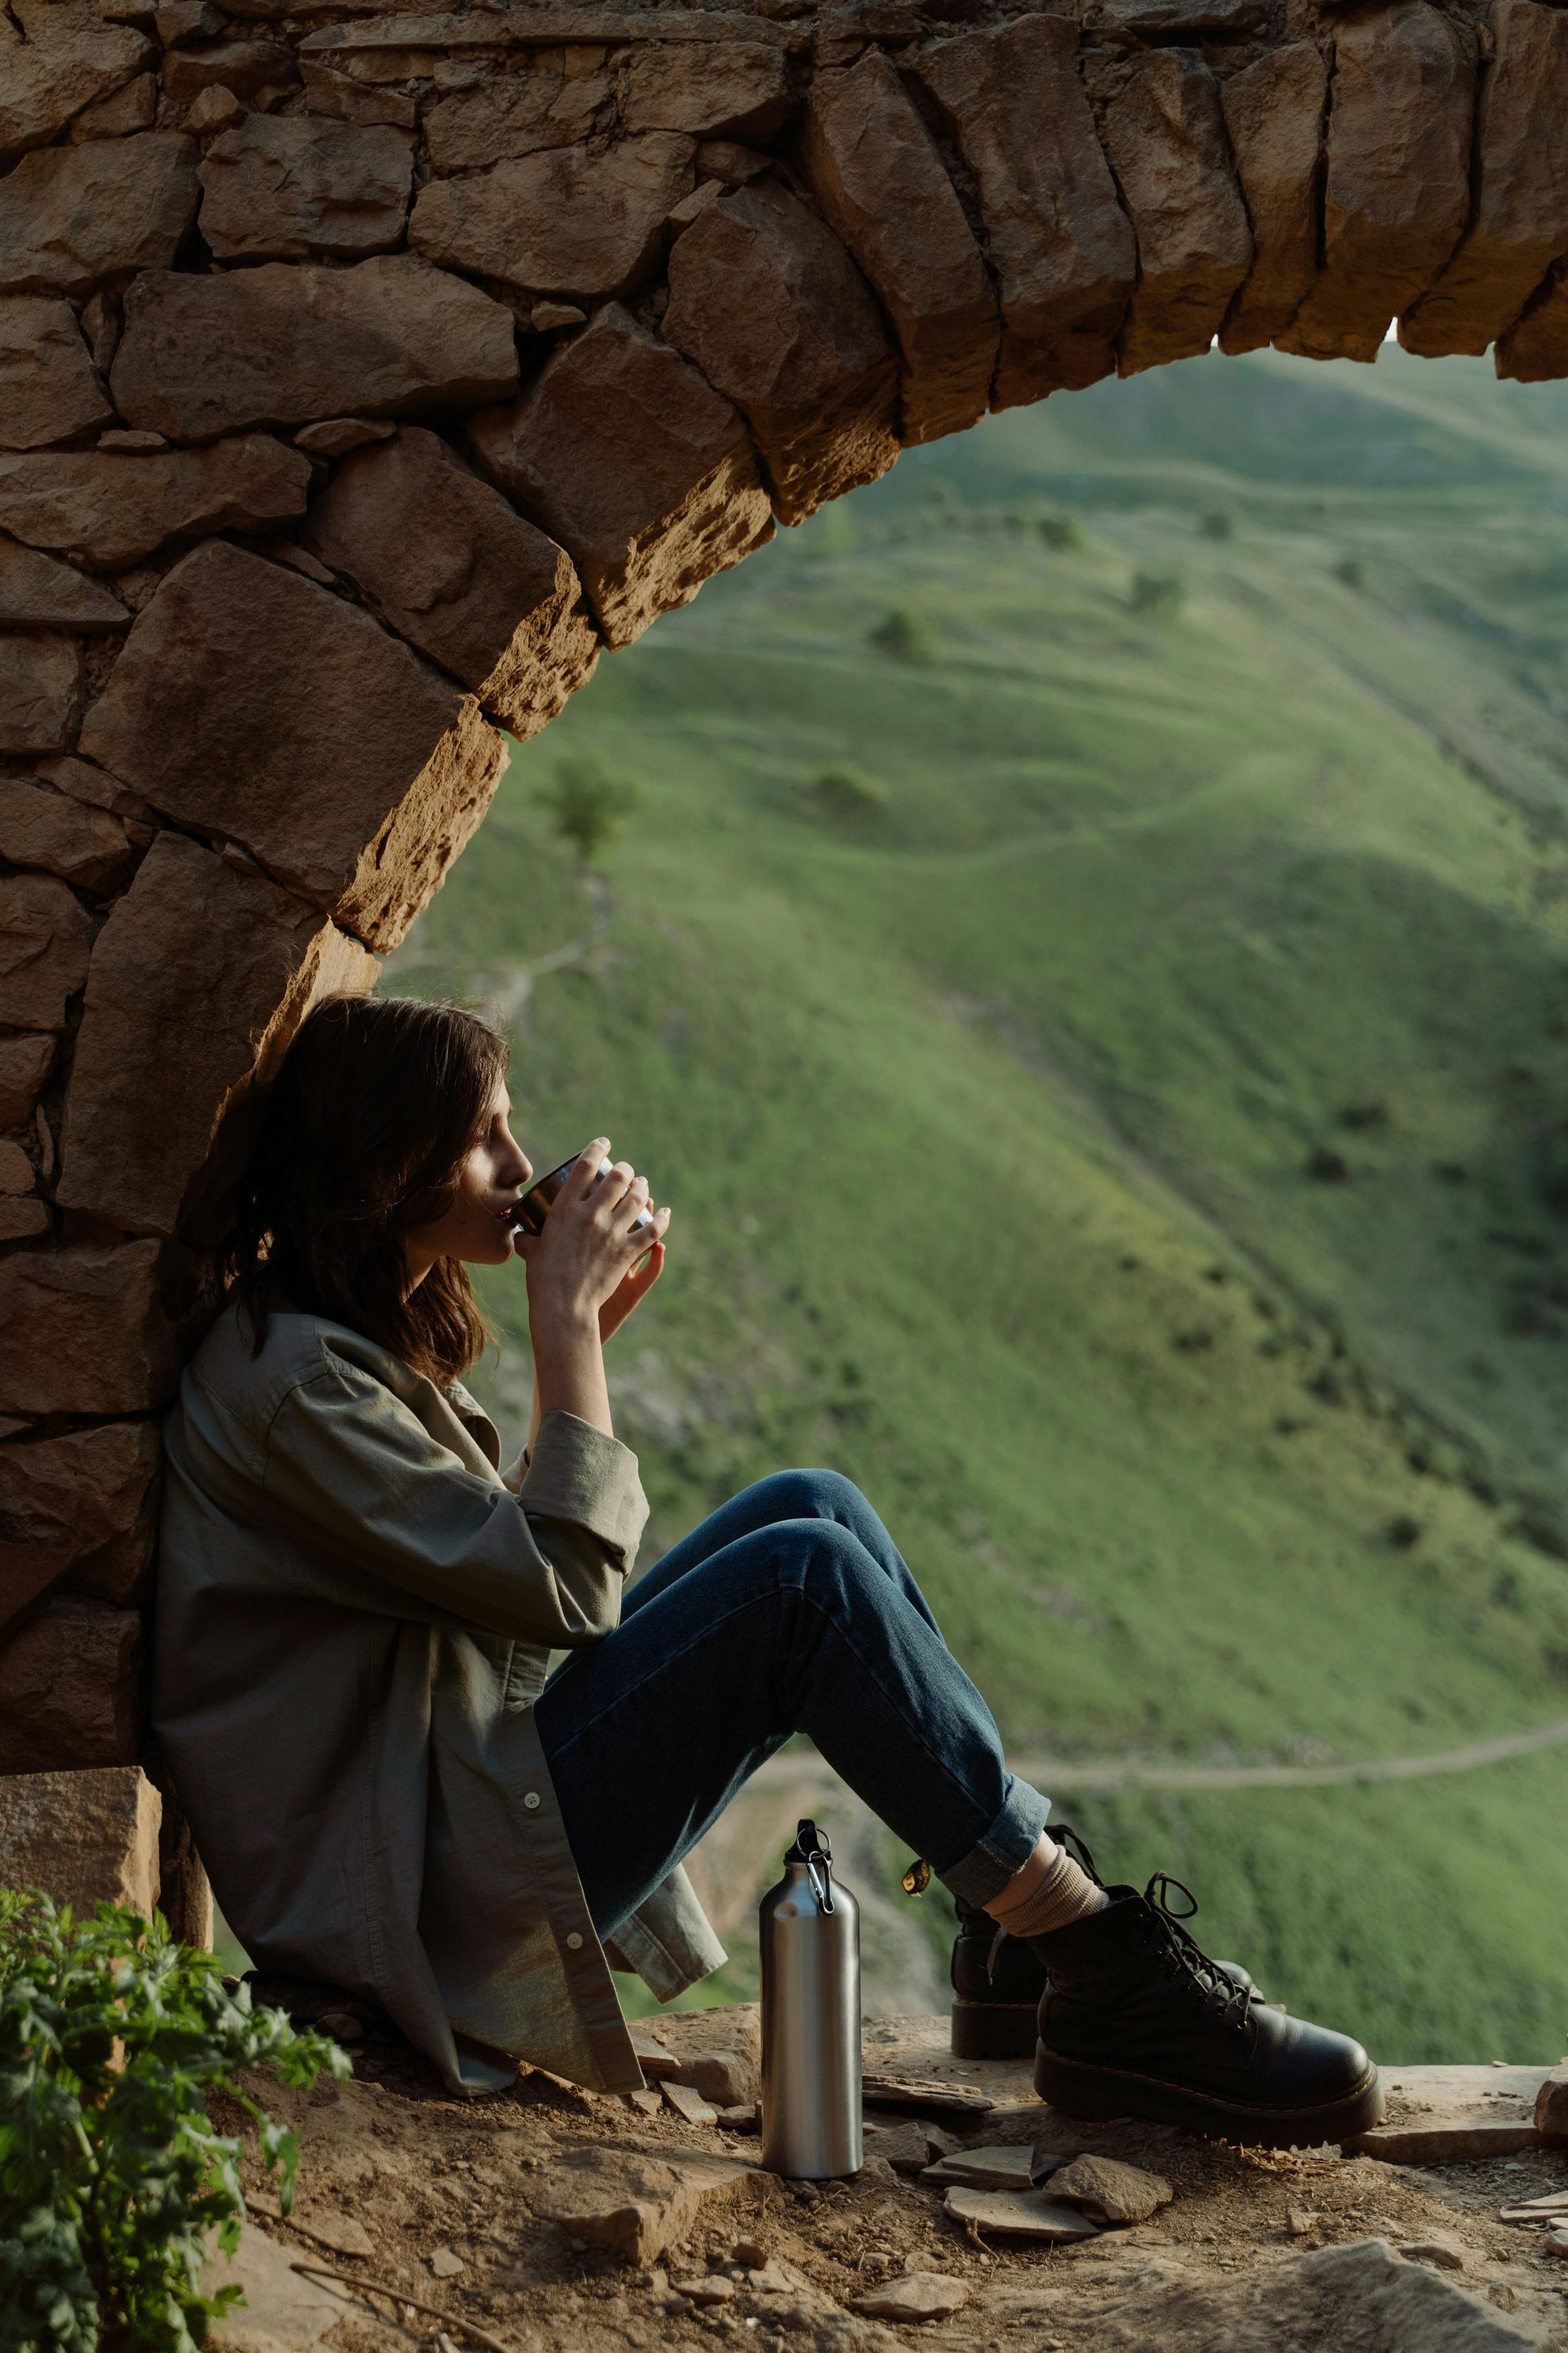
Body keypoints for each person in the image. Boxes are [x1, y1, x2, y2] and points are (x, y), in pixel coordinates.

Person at [155, 995, 1383, 2147]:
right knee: (798, 1583)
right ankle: (1104, 1969)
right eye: (480, 1138)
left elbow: (495, 1585)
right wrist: (567, 1329)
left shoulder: (328, 1354)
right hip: (421, 1898)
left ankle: (1016, 1939)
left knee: (812, 1502)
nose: (519, 1161)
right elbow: (565, 1591)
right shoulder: (301, 1390)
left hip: (451, 1804)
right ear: (382, 1166)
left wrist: (588, 1337)